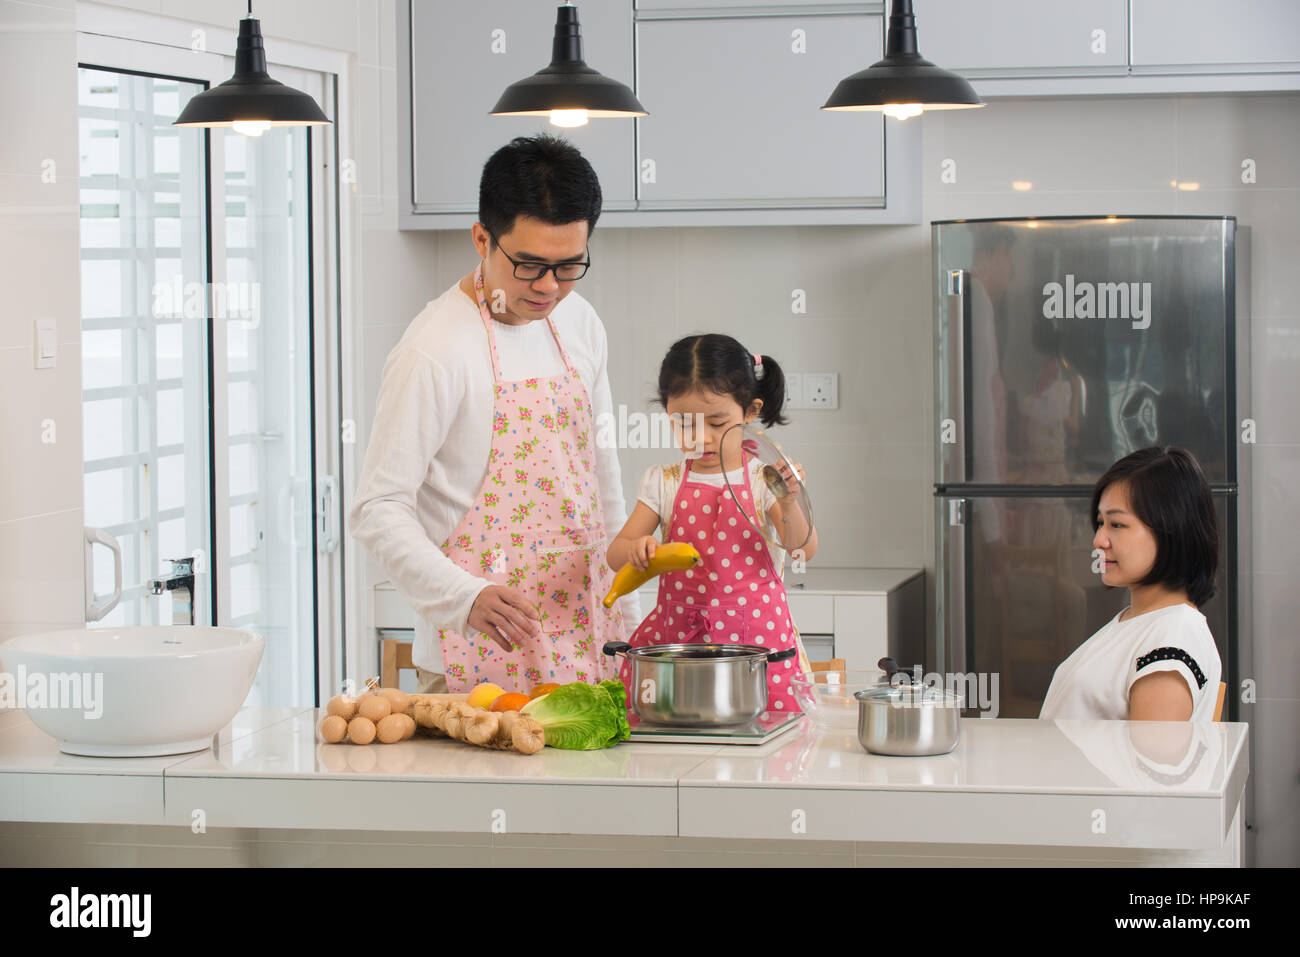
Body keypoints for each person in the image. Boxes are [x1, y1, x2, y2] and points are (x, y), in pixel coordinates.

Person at [349, 135, 636, 694]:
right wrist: (465, 595)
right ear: (482, 238)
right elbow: (376, 509)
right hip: (474, 659)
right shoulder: (434, 350)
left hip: (587, 644)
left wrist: (629, 615)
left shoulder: (580, 322)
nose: (549, 287)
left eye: (570, 266)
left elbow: (604, 477)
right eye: (529, 265)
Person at [605, 334, 818, 713]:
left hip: (757, 646)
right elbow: (615, 555)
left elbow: (802, 547)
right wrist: (637, 550)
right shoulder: (663, 481)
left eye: (718, 423)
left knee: (765, 747)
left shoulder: (763, 479)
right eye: (684, 425)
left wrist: (789, 500)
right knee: (677, 740)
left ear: (750, 412)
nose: (700, 439)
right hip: (679, 645)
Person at [1039, 447, 1222, 721]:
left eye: (1117, 525)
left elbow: (1152, 763)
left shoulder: (1173, 638)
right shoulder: (1141, 621)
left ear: (1170, 528)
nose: (1099, 540)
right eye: (1101, 522)